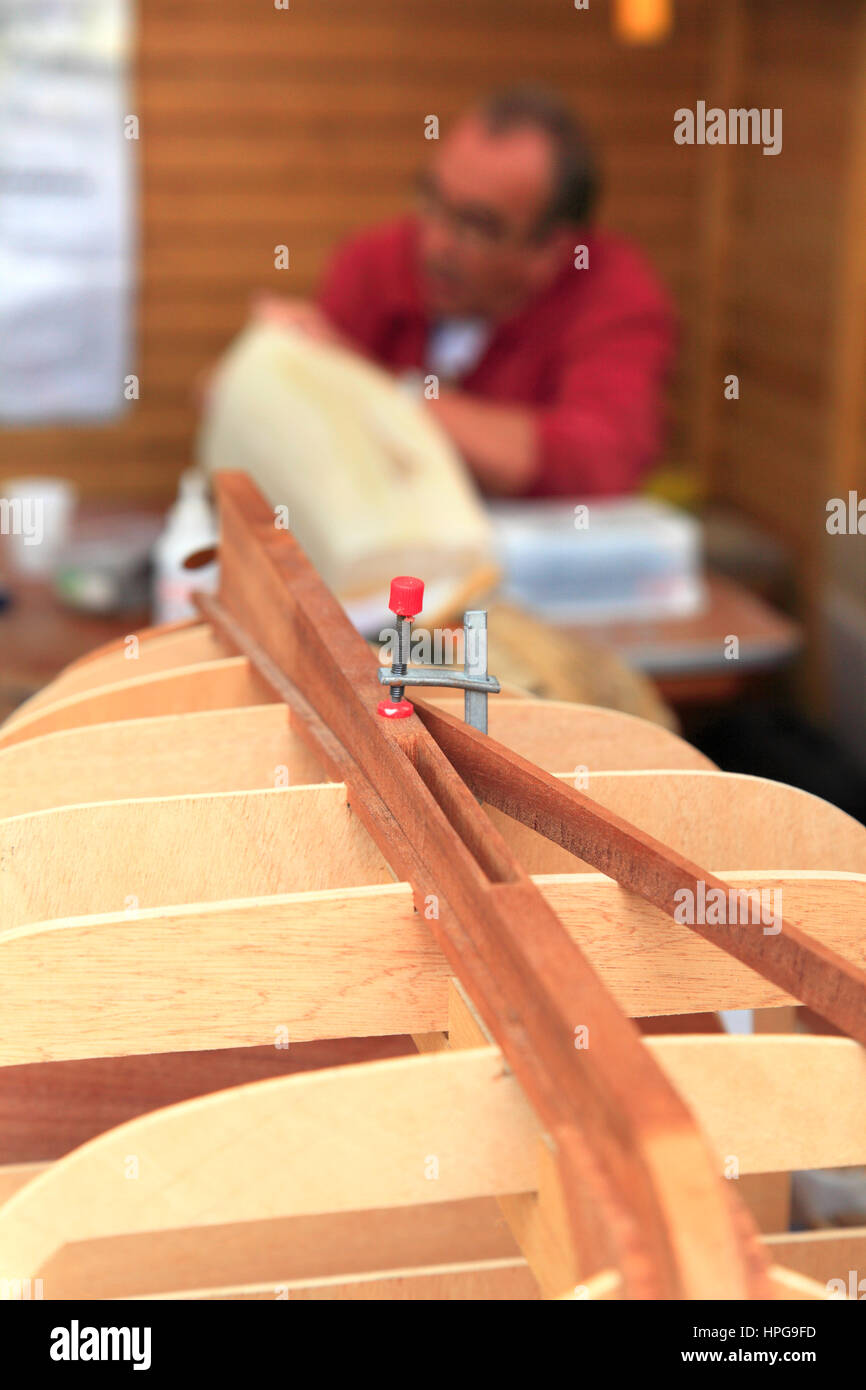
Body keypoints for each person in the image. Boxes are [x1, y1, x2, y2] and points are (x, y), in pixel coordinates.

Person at [254, 86, 676, 498]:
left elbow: (598, 464)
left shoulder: (613, 292)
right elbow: (314, 444)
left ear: (550, 250)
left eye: (477, 226)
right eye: (432, 200)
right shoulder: (373, 261)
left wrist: (360, 384)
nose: (436, 244)